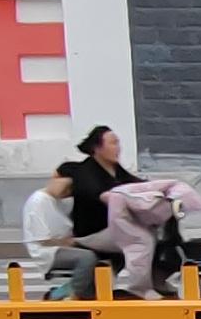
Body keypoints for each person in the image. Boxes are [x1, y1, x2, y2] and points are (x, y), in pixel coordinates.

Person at [47, 124, 137, 298]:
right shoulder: (84, 171)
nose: (118, 148)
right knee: (130, 245)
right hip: (90, 234)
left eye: (118, 143)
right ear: (97, 148)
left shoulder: (117, 171)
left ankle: (79, 292)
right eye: (113, 143)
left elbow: (136, 184)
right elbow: (66, 177)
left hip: (111, 232)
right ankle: (65, 293)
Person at [20, 182, 76, 293]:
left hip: (58, 244)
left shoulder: (54, 200)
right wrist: (67, 242)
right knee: (87, 258)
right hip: (48, 249)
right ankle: (63, 293)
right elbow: (42, 239)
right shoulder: (39, 201)